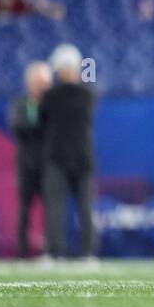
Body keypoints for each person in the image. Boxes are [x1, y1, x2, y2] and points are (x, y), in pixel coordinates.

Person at [40, 44, 97, 260]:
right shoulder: (88, 95)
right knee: (83, 208)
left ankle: (56, 252)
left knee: (58, 208)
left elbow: (42, 120)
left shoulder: (50, 96)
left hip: (59, 157)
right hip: (82, 157)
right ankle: (87, 253)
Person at [9, 61, 51, 258]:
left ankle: (52, 251)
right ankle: (23, 252)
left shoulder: (53, 106)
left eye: (44, 83)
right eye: (38, 82)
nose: (41, 87)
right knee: (25, 211)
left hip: (50, 166)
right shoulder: (21, 104)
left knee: (52, 211)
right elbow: (19, 127)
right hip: (26, 165)